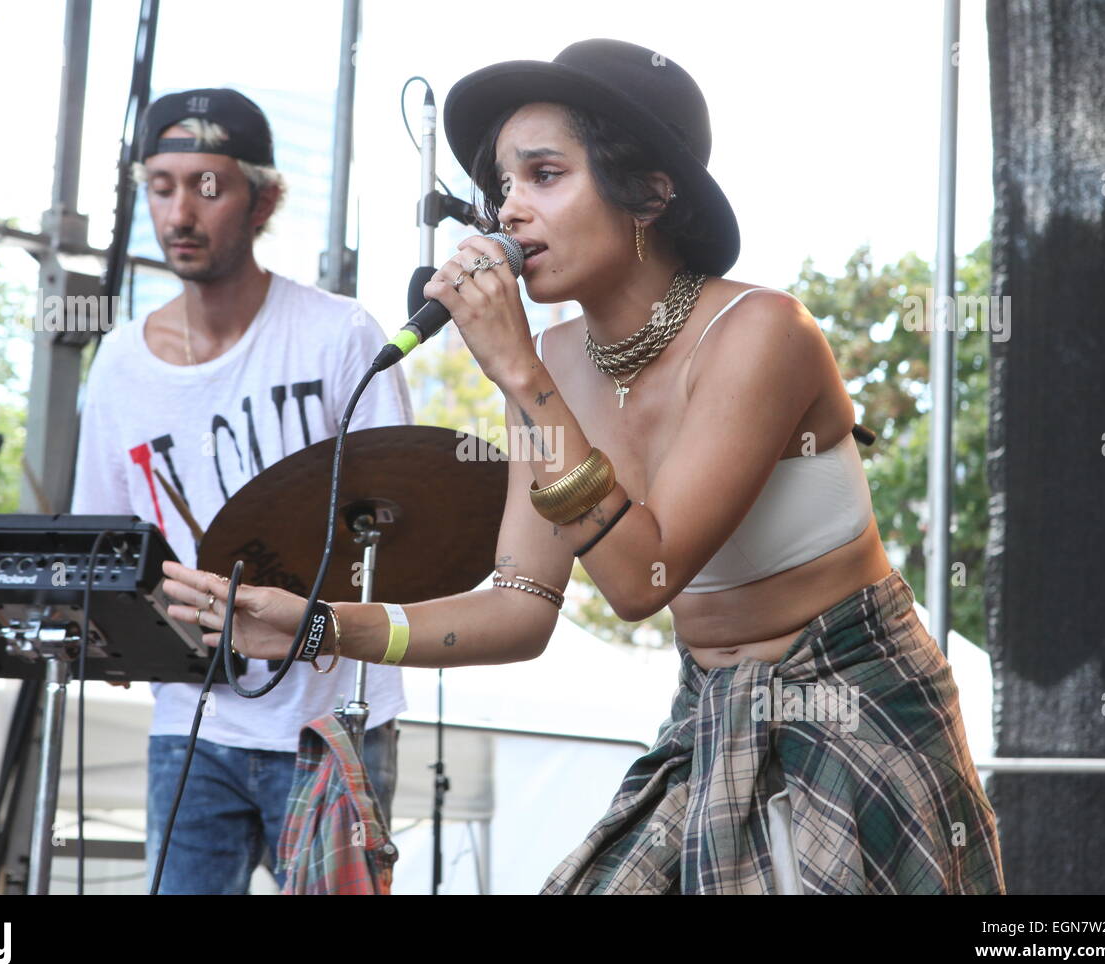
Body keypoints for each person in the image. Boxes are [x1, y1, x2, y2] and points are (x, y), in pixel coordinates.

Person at [162, 43, 1005, 894]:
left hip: (851, 704)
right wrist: (324, 624)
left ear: (648, 193)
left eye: (544, 175)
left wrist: (521, 375)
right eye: (502, 186)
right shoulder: (552, 366)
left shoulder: (762, 333)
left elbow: (644, 576)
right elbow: (522, 606)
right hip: (711, 710)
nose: (507, 213)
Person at [69, 88, 414, 894]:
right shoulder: (119, 361)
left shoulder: (341, 334)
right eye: (161, 185)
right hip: (191, 722)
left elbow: (407, 533)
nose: (181, 211)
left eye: (208, 186)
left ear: (263, 197)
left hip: (331, 723)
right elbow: (102, 541)